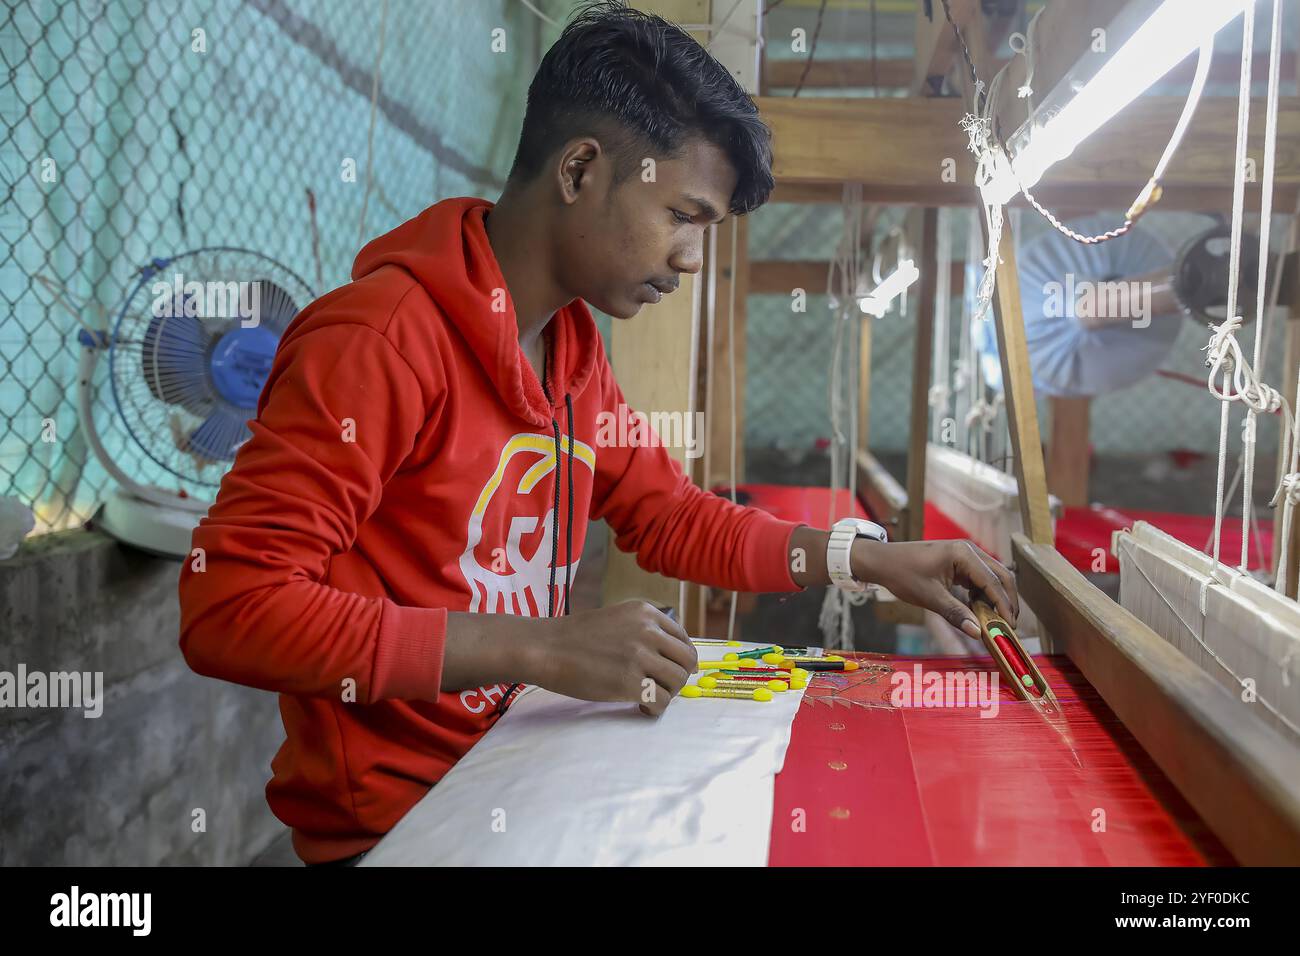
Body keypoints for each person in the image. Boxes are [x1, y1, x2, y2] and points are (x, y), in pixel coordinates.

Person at [177, 0, 1018, 866]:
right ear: (580, 169)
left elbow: (672, 517)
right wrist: (541, 645)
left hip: (509, 769)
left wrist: (869, 558)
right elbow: (231, 609)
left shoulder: (571, 355)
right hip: (401, 829)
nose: (692, 258)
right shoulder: (381, 342)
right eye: (683, 216)